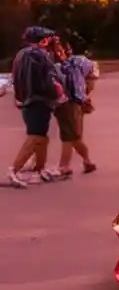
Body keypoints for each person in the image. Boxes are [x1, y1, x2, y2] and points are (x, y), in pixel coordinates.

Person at [9, 27, 62, 187]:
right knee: (35, 137)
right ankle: (14, 170)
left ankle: (40, 169)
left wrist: (20, 97)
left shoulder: (22, 54)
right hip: (38, 100)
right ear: (42, 40)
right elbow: (45, 80)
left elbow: (16, 78)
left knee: (42, 137)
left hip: (29, 100)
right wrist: (56, 94)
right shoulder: (37, 55)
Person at [54, 39, 99, 177]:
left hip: (67, 102)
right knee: (74, 136)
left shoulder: (61, 65)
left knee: (69, 137)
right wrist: (85, 95)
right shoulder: (81, 62)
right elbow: (92, 77)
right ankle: (86, 161)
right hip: (76, 102)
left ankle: (64, 166)